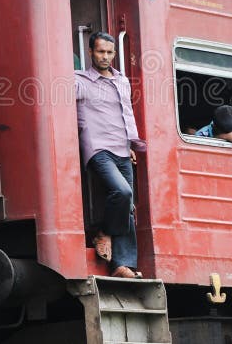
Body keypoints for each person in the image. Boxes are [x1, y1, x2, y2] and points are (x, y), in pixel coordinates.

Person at [75, 31, 146, 279]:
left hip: (121, 148)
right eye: (100, 51)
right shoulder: (79, 80)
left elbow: (125, 114)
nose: (104, 56)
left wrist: (129, 144)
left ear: (115, 54)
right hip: (97, 148)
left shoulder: (122, 80)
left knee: (127, 207)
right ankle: (103, 231)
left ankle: (121, 265)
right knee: (123, 192)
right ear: (91, 52)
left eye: (109, 52)